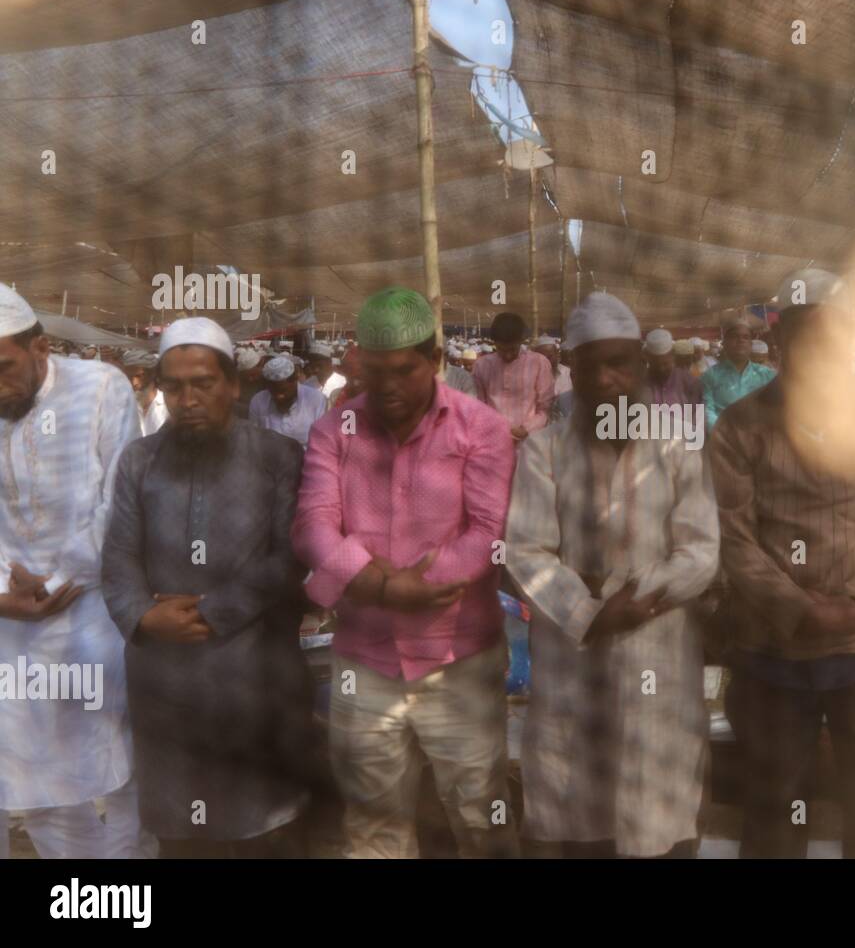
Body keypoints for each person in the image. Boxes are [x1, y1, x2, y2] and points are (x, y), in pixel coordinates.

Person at [292, 287, 518, 859]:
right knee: (373, 823)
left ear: (435, 362)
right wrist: (389, 586)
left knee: (479, 813)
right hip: (365, 660)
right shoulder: (333, 430)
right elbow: (312, 526)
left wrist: (420, 582)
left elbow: (489, 531)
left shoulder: (480, 428)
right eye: (374, 372)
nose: (387, 387)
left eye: (403, 371)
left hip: (458, 657)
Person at [710, 274, 855, 858]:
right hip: (773, 651)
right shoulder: (740, 426)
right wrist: (801, 607)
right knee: (775, 804)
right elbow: (733, 536)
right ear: (778, 352)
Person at [507, 293, 719, 858]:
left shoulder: (676, 446)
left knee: (656, 811)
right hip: (572, 648)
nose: (607, 379)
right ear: (570, 369)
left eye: (620, 362)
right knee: (574, 807)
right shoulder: (543, 452)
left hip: (657, 639)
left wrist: (639, 599)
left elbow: (701, 550)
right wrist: (591, 614)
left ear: (641, 364)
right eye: (591, 365)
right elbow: (526, 550)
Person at [101, 317, 314, 857]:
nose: (187, 398)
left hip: (254, 673)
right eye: (174, 386)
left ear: (233, 384)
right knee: (181, 835)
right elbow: (119, 556)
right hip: (164, 678)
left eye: (203, 383)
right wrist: (142, 616)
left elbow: (290, 556)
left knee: (261, 827)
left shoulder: (277, 456)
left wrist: (212, 610)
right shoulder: (138, 461)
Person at [0, 284, 150, 859]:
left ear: (40, 347)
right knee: (28, 775)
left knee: (108, 770)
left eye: (3, 365)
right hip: (11, 625)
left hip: (91, 612)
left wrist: (60, 579)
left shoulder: (99, 388)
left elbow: (119, 502)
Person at [473, 312, 554, 444]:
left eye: (513, 349)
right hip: (492, 443)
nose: (508, 355)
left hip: (530, 444)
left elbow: (545, 408)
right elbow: (479, 407)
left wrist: (526, 429)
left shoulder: (538, 363)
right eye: (502, 349)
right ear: (494, 343)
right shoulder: (482, 366)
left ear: (521, 341)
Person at [700, 318, 776, 429]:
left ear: (751, 344)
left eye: (746, 337)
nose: (741, 340)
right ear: (724, 342)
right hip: (723, 440)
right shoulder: (710, 376)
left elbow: (776, 410)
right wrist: (725, 437)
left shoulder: (767, 375)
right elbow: (707, 412)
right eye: (734, 336)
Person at [249, 354, 327, 448]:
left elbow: (321, 442)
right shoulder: (258, 401)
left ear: (295, 381)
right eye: (273, 391)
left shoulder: (316, 399)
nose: (278, 396)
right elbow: (254, 439)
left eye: (283, 390)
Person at [644, 328, 702, 408]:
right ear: (648, 358)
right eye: (656, 365)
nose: (661, 369)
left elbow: (698, 413)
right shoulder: (639, 382)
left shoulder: (688, 381)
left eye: (665, 364)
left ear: (672, 356)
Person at [120, 348, 168, 435]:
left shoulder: (167, 405)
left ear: (152, 374)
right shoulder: (125, 406)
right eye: (129, 377)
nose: (134, 383)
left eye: (139, 376)